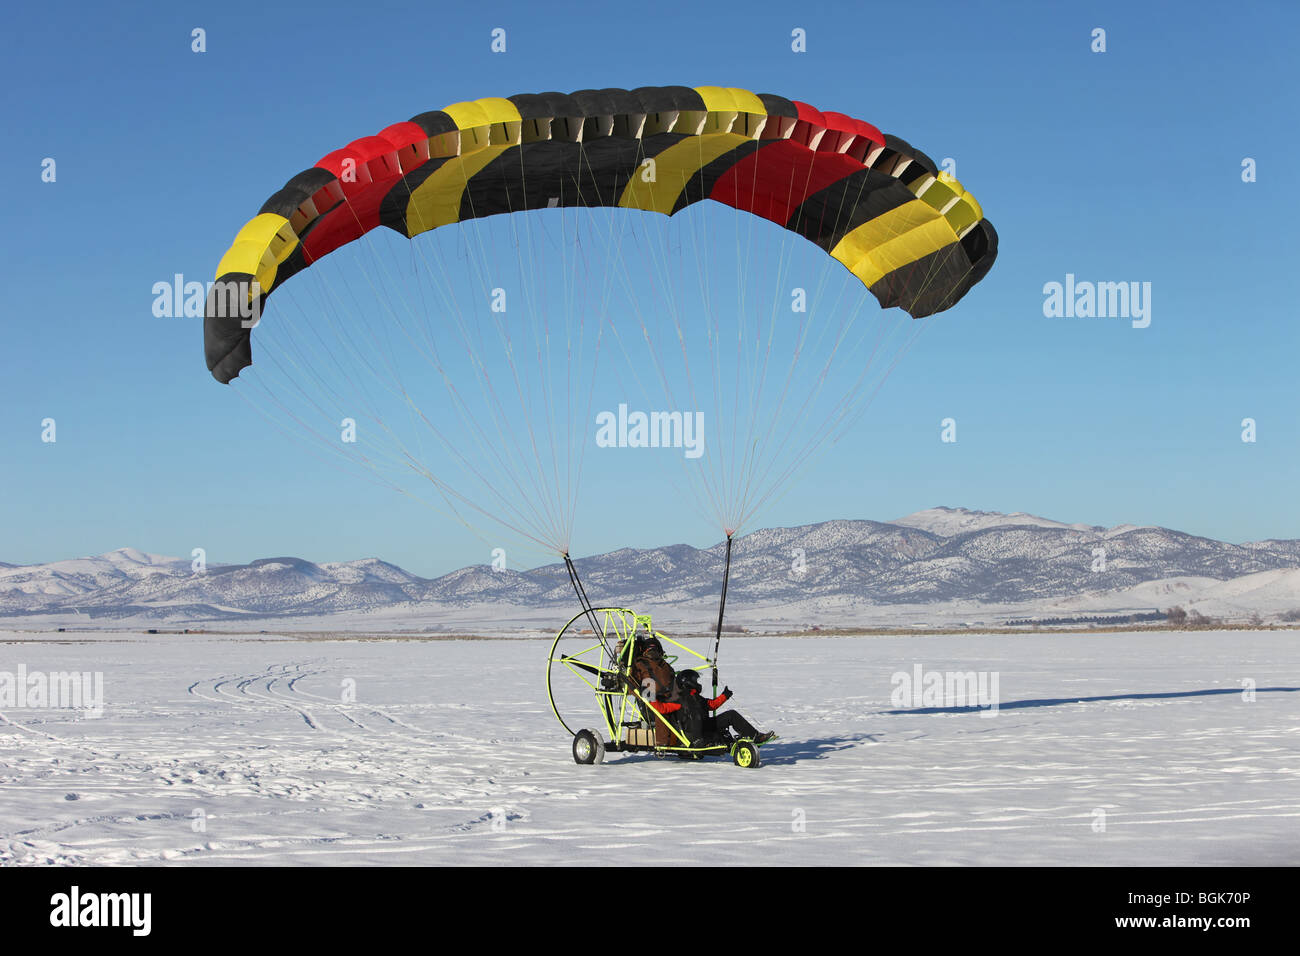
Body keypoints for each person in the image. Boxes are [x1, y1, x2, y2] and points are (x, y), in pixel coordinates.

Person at [648, 669, 774, 747]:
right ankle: (702, 740)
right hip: (693, 735)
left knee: (731, 714)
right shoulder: (679, 700)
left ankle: (755, 736)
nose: (698, 683)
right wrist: (649, 696)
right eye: (695, 680)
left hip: (705, 727)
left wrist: (724, 696)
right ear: (688, 682)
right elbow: (661, 709)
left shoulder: (696, 697)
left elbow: (712, 705)